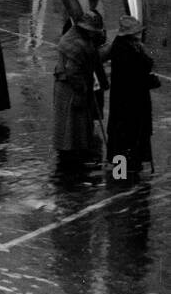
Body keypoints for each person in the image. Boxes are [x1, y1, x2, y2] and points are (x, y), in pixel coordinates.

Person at [53, 10, 107, 160]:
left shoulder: (77, 35)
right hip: (70, 87)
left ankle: (75, 147)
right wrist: (82, 91)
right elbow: (73, 71)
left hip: (71, 85)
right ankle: (71, 151)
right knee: (71, 122)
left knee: (76, 122)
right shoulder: (76, 44)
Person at [107, 15, 156, 177]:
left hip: (130, 100)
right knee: (125, 136)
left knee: (130, 135)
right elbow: (136, 74)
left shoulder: (129, 47)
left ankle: (128, 169)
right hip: (128, 101)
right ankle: (121, 173)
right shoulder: (125, 49)